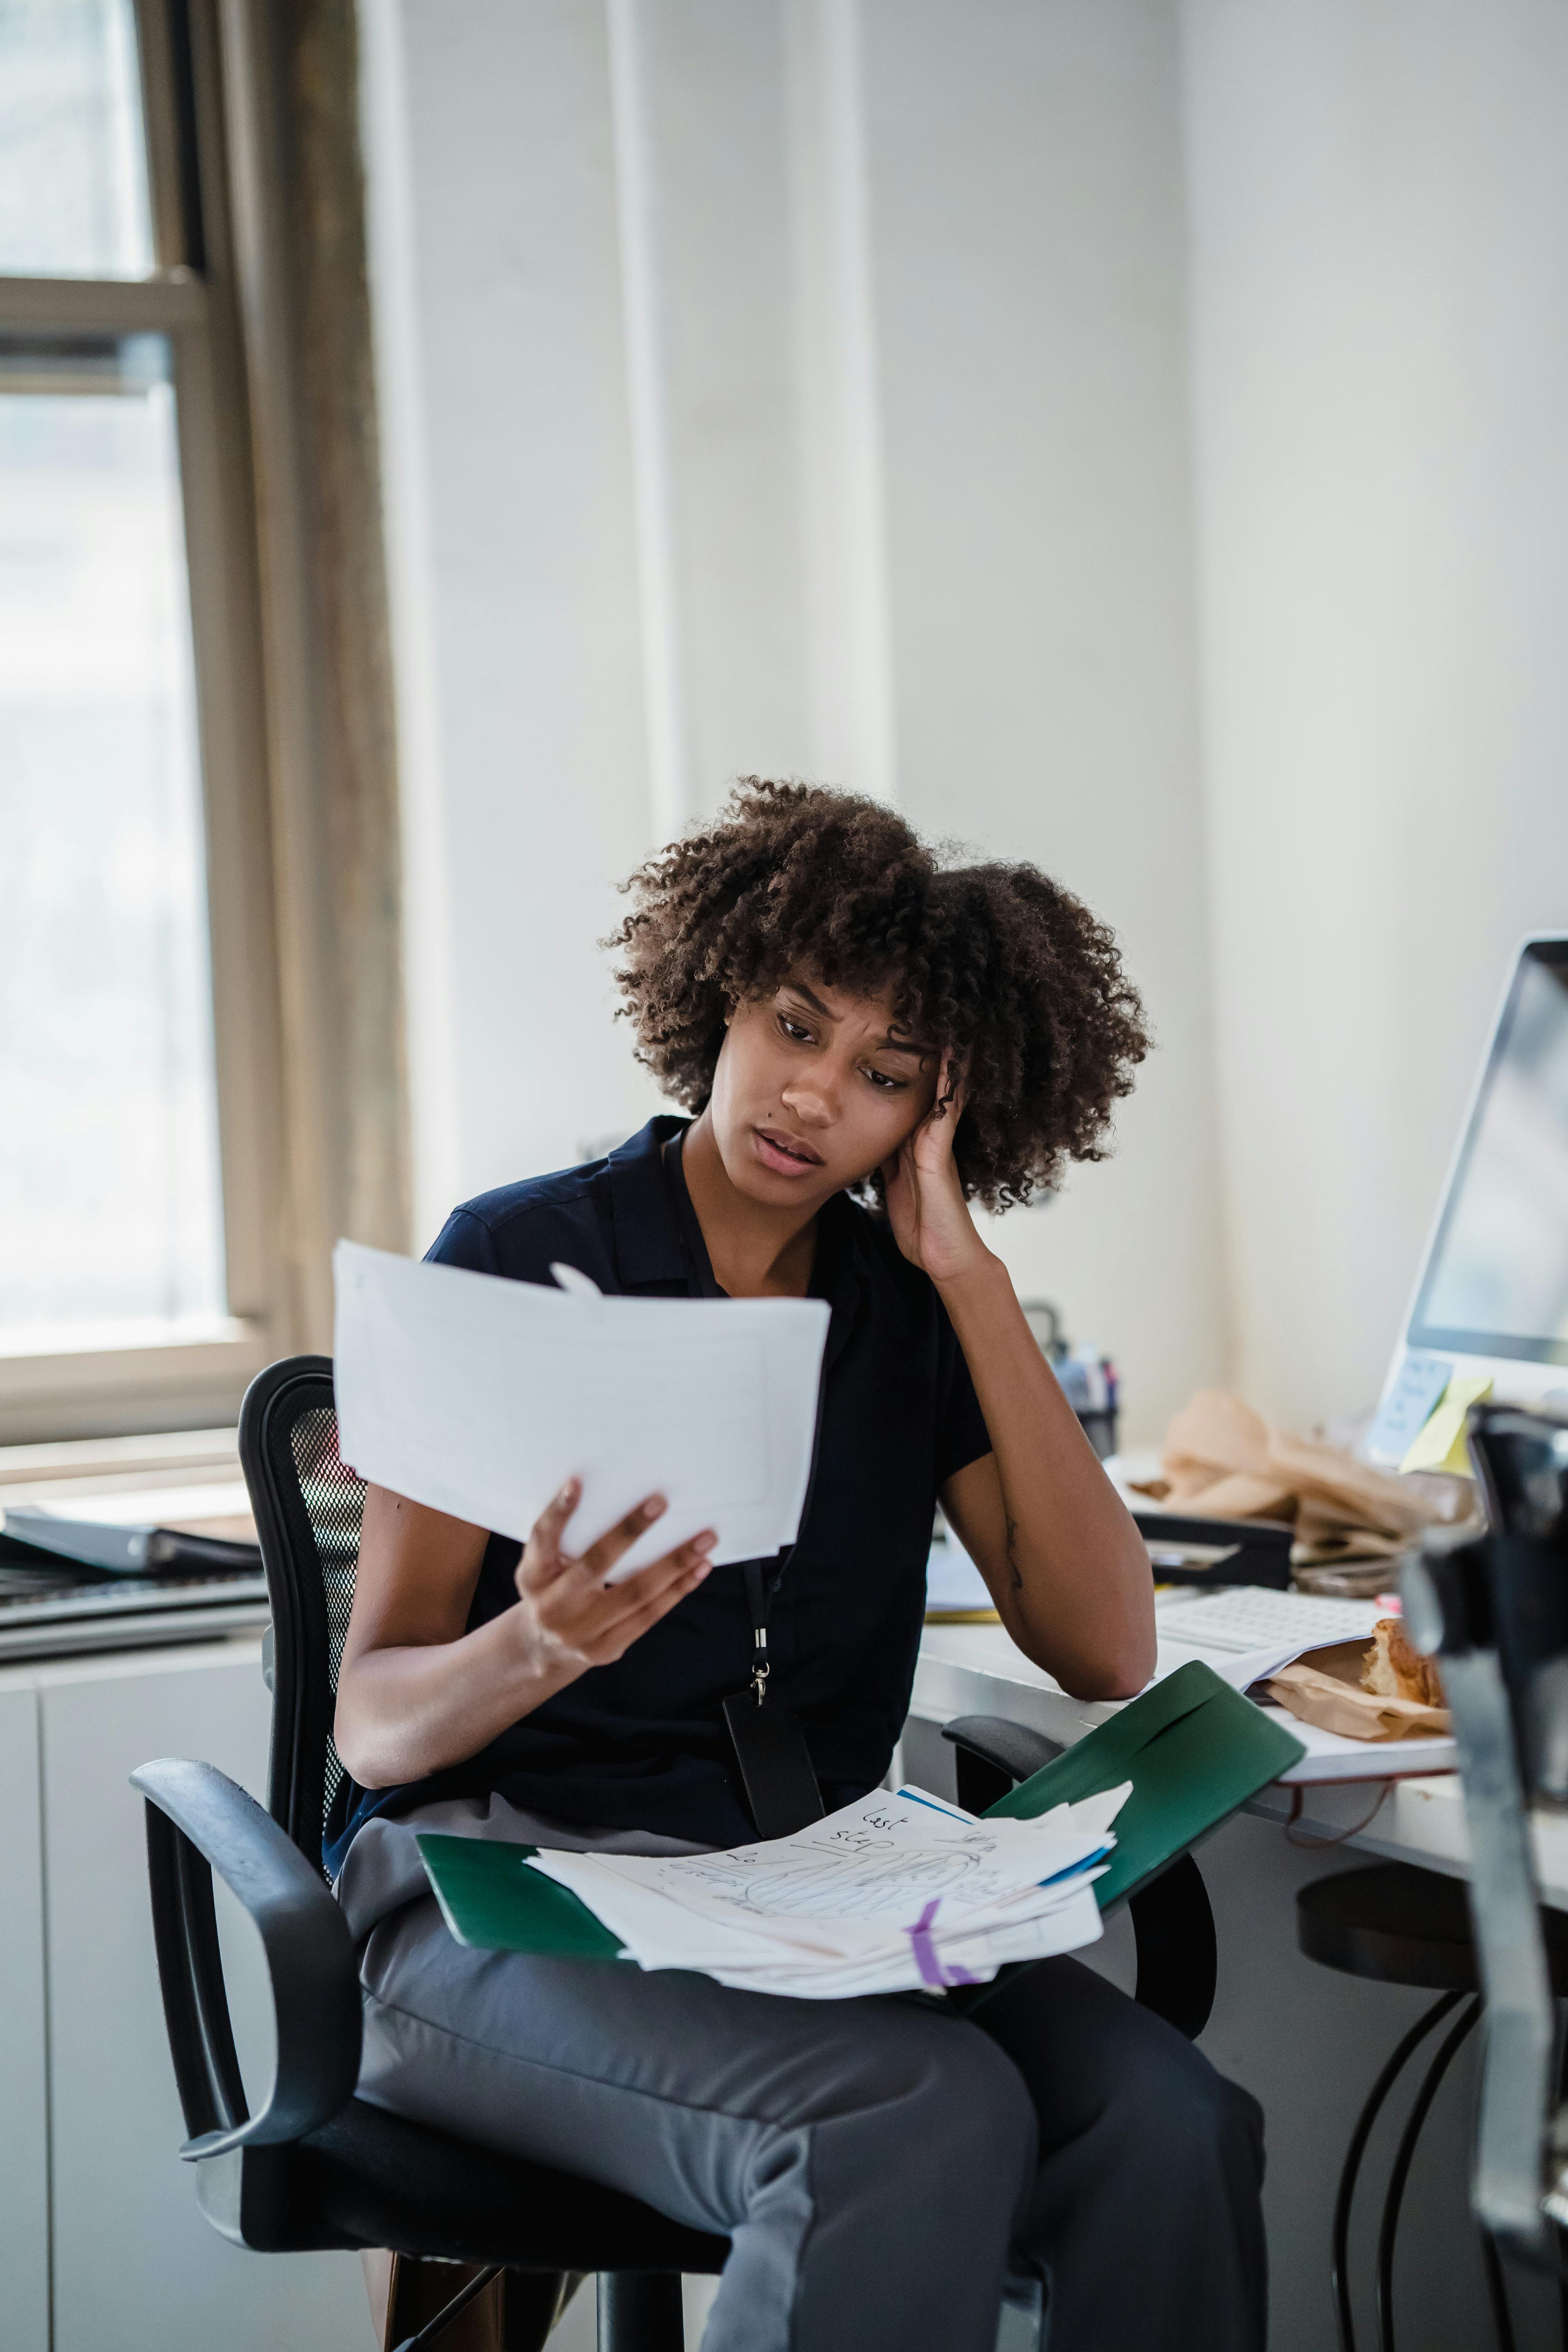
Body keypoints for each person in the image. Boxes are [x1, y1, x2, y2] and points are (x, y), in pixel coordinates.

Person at [330, 781, 1265, 2352]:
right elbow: (373, 1726)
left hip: (803, 1905)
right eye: (795, 1027)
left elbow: (1105, 1647)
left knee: (1172, 2125)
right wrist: (538, 1644)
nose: (815, 1096)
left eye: (883, 1076)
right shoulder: (516, 1260)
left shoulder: (906, 1305)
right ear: (722, 998)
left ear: (939, 1114)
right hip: (497, 1903)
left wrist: (969, 1276)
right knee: (911, 2112)